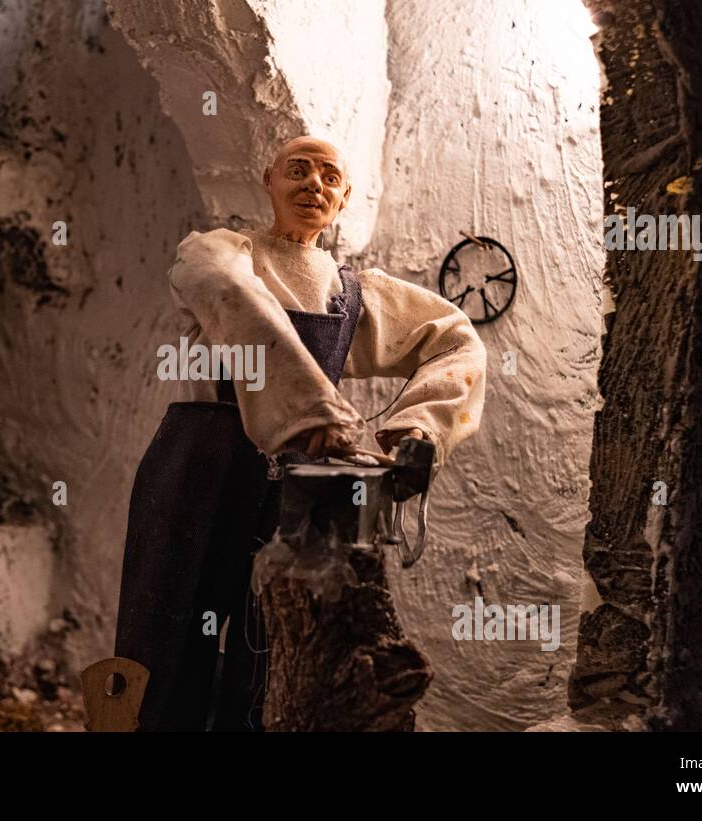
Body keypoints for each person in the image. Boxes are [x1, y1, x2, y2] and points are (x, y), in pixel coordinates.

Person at [114, 135, 487, 731]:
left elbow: (455, 336)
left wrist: (421, 428)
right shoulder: (215, 254)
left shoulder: (354, 294)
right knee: (165, 639)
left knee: (269, 652)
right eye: (298, 170)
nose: (314, 183)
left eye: (329, 177)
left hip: (296, 489)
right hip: (200, 472)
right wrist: (315, 418)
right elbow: (233, 297)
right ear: (269, 181)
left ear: (343, 198)